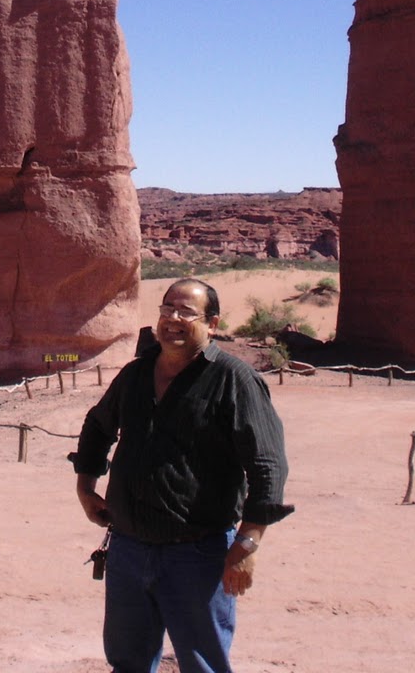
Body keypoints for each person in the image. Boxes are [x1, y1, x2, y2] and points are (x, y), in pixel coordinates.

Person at [71, 277, 293, 673]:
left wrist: (248, 542)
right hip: (128, 549)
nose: (172, 318)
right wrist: (85, 486)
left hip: (200, 554)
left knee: (202, 664)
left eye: (186, 311)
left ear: (212, 323)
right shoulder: (136, 375)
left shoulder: (233, 380)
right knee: (127, 662)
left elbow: (267, 464)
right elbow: (97, 426)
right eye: (166, 308)